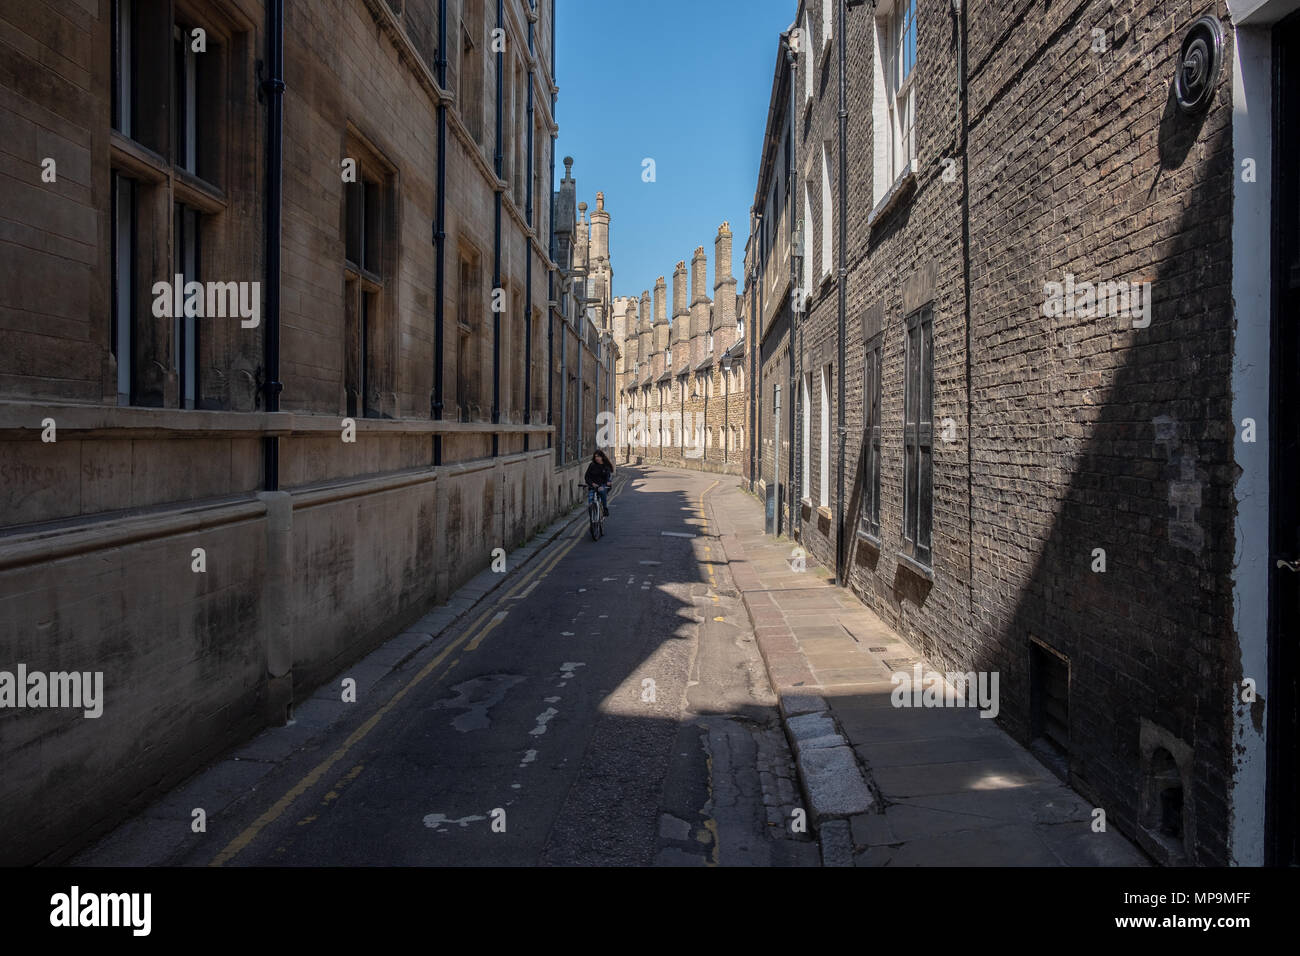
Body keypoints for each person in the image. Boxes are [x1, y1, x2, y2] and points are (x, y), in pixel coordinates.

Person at [584, 450, 613, 517]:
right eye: (595, 456)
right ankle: (592, 521)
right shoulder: (592, 465)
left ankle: (605, 508)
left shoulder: (606, 466)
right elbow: (587, 477)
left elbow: (608, 476)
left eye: (599, 456)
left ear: (602, 457)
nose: (597, 458)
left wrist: (608, 482)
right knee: (590, 501)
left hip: (603, 485)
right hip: (593, 486)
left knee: (602, 491)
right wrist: (592, 483)